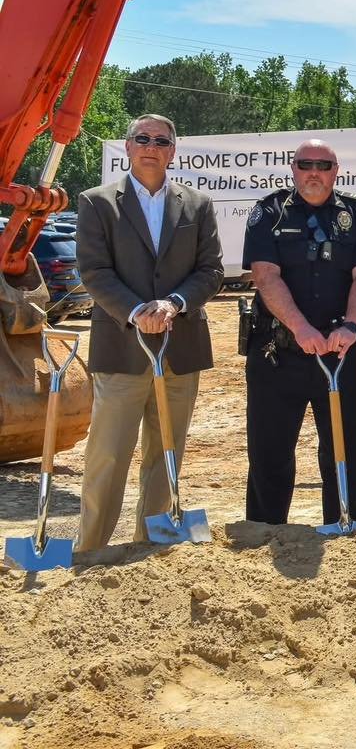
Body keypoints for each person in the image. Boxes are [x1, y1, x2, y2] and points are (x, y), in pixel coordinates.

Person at [74, 113, 224, 550]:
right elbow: (94, 271)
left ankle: (152, 547)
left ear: (173, 151)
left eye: (161, 140)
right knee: (109, 454)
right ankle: (91, 548)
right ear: (128, 146)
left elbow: (210, 270)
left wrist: (173, 304)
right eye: (142, 138)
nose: (151, 146)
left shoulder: (197, 204)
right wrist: (138, 309)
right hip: (122, 347)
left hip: (181, 348)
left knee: (166, 455)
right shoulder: (98, 202)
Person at [242, 139, 356, 526]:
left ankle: (344, 529)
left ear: (336, 171)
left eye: (324, 165)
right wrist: (300, 328)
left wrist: (353, 324)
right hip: (278, 352)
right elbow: (265, 275)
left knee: (344, 450)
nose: (314, 172)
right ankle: (265, 532)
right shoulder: (268, 211)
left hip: (340, 353)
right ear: (293, 168)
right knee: (270, 453)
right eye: (306, 164)